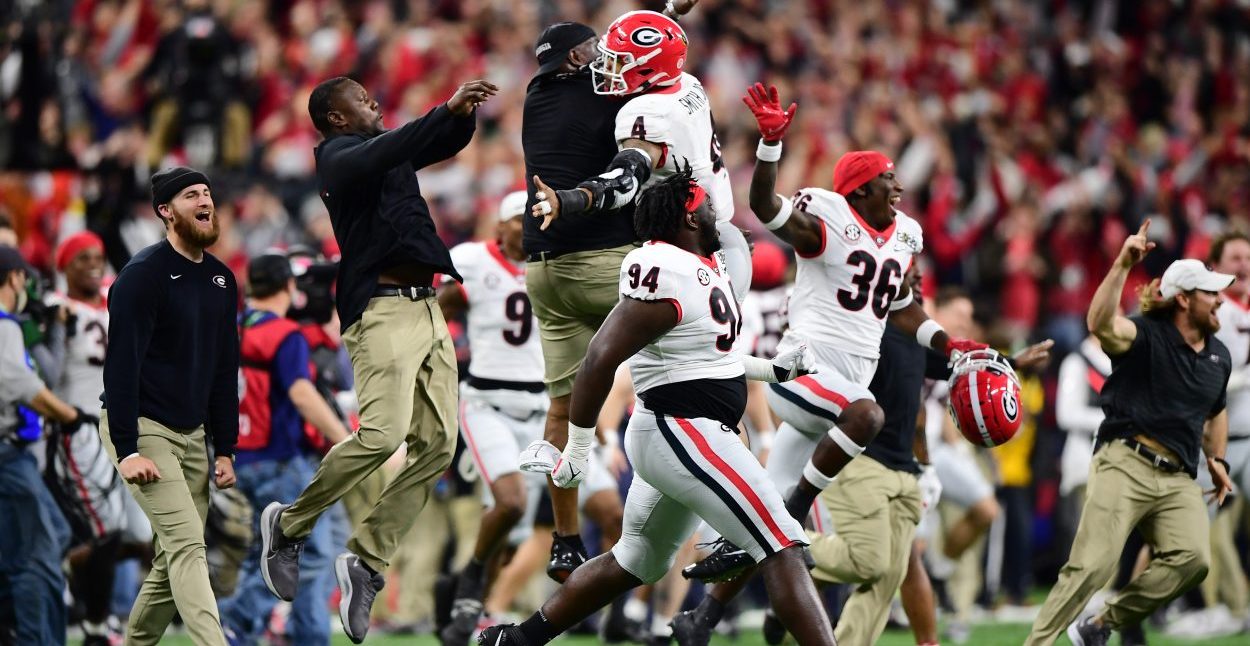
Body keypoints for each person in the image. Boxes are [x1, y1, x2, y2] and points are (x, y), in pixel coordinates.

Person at [481, 168, 833, 646]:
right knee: (782, 543)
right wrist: (579, 448)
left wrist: (774, 371)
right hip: (682, 429)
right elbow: (601, 356)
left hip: (684, 432)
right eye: (706, 204)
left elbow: (713, 359)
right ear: (689, 214)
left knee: (637, 558)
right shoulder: (664, 267)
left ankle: (518, 640)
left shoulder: (697, 267)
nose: (715, 211)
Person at [685, 83, 986, 582]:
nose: (899, 187)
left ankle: (711, 572)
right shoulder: (828, 221)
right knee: (866, 418)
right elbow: (764, 206)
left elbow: (904, 309)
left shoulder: (904, 236)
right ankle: (795, 518)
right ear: (860, 191)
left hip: (842, 388)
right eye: (888, 179)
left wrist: (951, 346)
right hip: (805, 373)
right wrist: (770, 146)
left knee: (768, 517)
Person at [257, 75, 497, 643]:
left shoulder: (382, 153)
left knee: (436, 448)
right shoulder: (338, 159)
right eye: (362, 100)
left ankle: (367, 560)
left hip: (428, 309)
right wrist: (443, 108)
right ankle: (289, 525)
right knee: (382, 435)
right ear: (336, 119)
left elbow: (436, 145)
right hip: (383, 309)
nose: (374, 102)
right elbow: (400, 145)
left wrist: (458, 117)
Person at [519, 0, 697, 583]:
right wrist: (665, 16)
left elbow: (626, 54)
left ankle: (565, 540)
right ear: (576, 57)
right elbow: (644, 59)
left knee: (563, 403)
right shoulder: (603, 94)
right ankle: (717, 510)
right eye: (596, 49)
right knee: (698, 343)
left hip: (543, 272)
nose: (608, 58)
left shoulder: (537, 97)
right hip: (599, 258)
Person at [1027, 221, 1235, 646]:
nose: (1220, 299)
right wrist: (1122, 263)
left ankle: (1101, 625)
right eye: (1211, 292)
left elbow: (1215, 412)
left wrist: (1217, 460)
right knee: (1093, 567)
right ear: (1182, 299)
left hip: (1179, 475)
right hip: (1126, 460)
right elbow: (1100, 322)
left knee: (1193, 559)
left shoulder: (1219, 355)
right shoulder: (1144, 334)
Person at [435, 192, 628, 645]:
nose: (526, 229)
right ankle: (473, 586)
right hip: (489, 403)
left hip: (549, 407)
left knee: (610, 510)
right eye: (517, 221)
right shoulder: (473, 262)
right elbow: (439, 312)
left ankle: (605, 612)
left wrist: (599, 429)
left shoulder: (558, 264)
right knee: (511, 505)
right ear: (498, 226)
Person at [98, 166, 240, 646]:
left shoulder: (221, 279)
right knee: (187, 546)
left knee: (173, 558)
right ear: (165, 211)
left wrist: (226, 448)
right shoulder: (142, 276)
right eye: (191, 196)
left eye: (207, 193)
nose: (205, 201)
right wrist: (127, 447)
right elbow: (120, 368)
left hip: (195, 434)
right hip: (144, 427)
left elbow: (224, 369)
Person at [218, 253, 352, 646]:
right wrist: (346, 439)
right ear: (288, 287)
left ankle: (284, 634)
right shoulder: (284, 333)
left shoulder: (232, 327)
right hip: (279, 457)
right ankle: (236, 622)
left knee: (263, 553)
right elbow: (301, 393)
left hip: (240, 454)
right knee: (309, 553)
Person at [40, 232, 153, 645]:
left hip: (124, 428)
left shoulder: (115, 299)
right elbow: (45, 374)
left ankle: (73, 558)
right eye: (82, 257)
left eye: (98, 257)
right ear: (64, 265)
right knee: (105, 529)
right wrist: (53, 330)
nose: (93, 264)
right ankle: (95, 625)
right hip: (81, 428)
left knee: (138, 535)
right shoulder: (55, 307)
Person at [0, 245, 90, 646]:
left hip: (13, 457)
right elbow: (21, 383)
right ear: (15, 278)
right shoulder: (4, 323)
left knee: (54, 533)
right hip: (7, 456)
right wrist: (67, 414)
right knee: (34, 563)